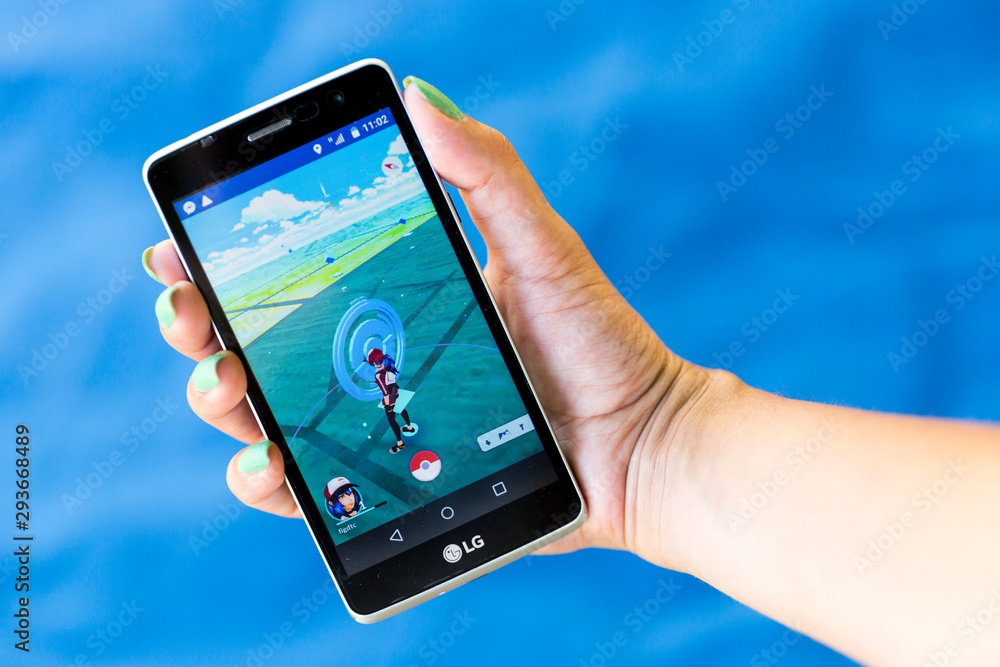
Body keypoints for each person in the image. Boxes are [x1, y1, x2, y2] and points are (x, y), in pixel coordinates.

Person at [144, 76, 1000, 666]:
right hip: (577, 446)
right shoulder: (375, 357)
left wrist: (657, 435)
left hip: (541, 434)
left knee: (383, 420)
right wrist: (657, 443)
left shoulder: (380, 356)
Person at [367, 347, 415, 453]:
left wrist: (388, 406)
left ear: (374, 362)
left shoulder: (378, 375)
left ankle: (400, 443)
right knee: (402, 409)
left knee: (392, 421)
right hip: (396, 391)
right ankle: (409, 427)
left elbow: (385, 392)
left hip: (390, 398)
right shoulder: (387, 365)